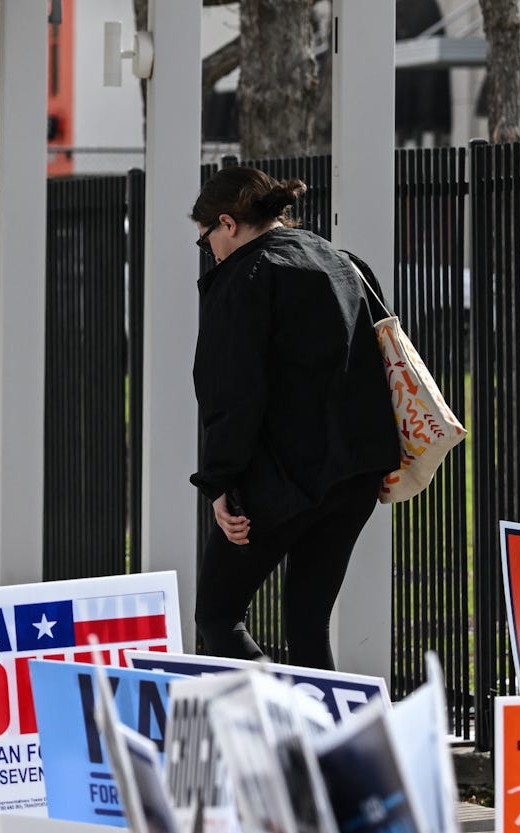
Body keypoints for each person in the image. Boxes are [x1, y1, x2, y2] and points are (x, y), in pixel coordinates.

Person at [189, 166, 399, 669]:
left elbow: (231, 392)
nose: (210, 253)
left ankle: (281, 721)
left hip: (280, 479)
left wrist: (219, 484)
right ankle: (328, 740)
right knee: (308, 621)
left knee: (218, 615)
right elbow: (384, 355)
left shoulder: (244, 277)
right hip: (355, 474)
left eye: (206, 241)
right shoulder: (342, 262)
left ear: (228, 224)